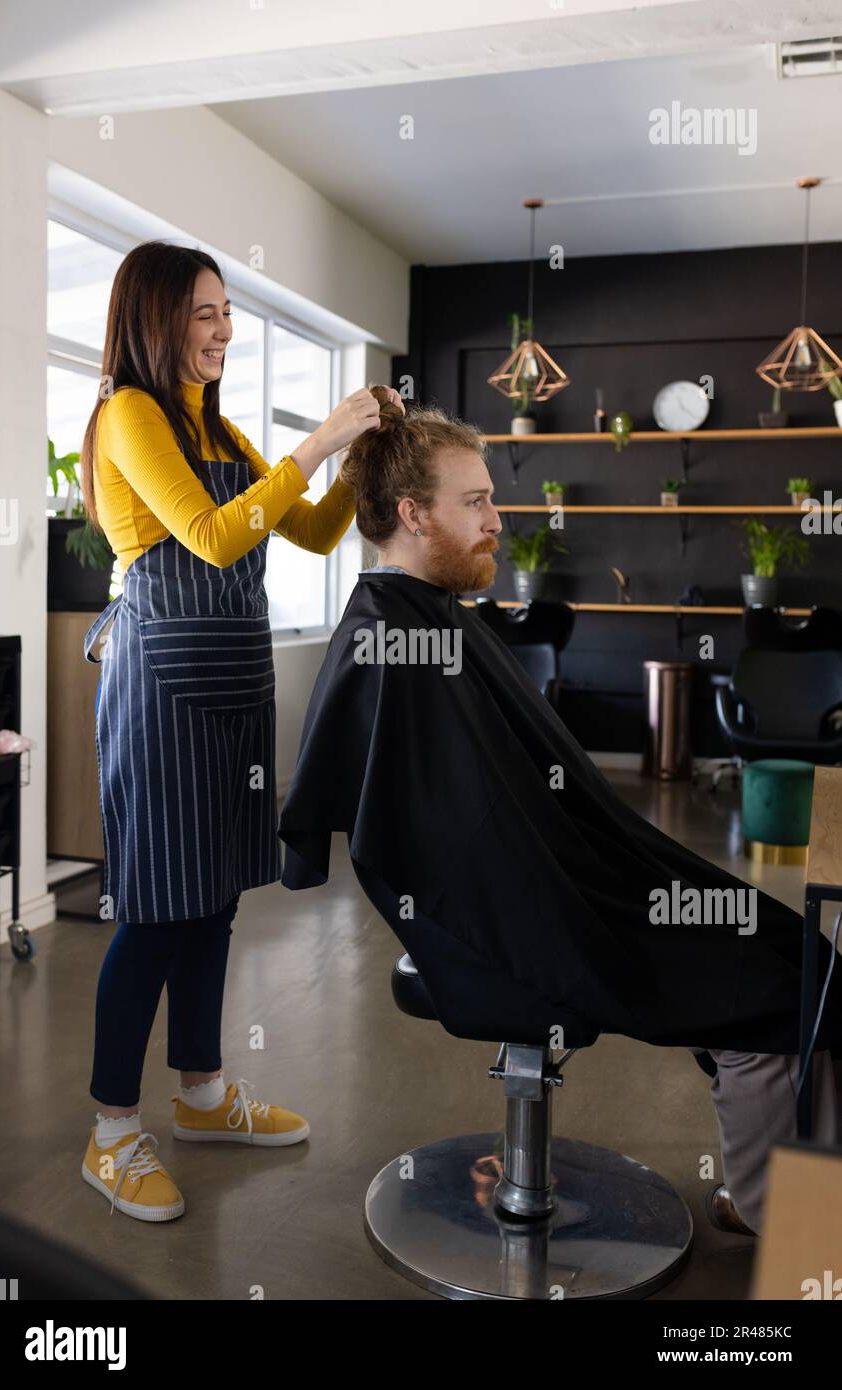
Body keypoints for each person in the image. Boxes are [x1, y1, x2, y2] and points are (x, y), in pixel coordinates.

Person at [278, 386, 842, 1238]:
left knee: (789, 953)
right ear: (412, 514)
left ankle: (778, 1192)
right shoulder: (397, 638)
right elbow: (450, 836)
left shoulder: (426, 620)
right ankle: (790, 1225)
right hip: (520, 915)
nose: (497, 521)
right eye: (475, 503)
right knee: (778, 986)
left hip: (562, 882)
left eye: (492, 500)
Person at [77, 242, 404, 1222]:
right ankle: (109, 1132)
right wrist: (318, 437)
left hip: (231, 684)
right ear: (153, 319)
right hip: (163, 687)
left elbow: (305, 529)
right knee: (154, 909)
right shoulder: (129, 415)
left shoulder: (210, 423)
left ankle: (205, 1094)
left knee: (213, 898)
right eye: (203, 313)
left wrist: (356, 457)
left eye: (225, 312)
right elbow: (217, 537)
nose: (221, 329)